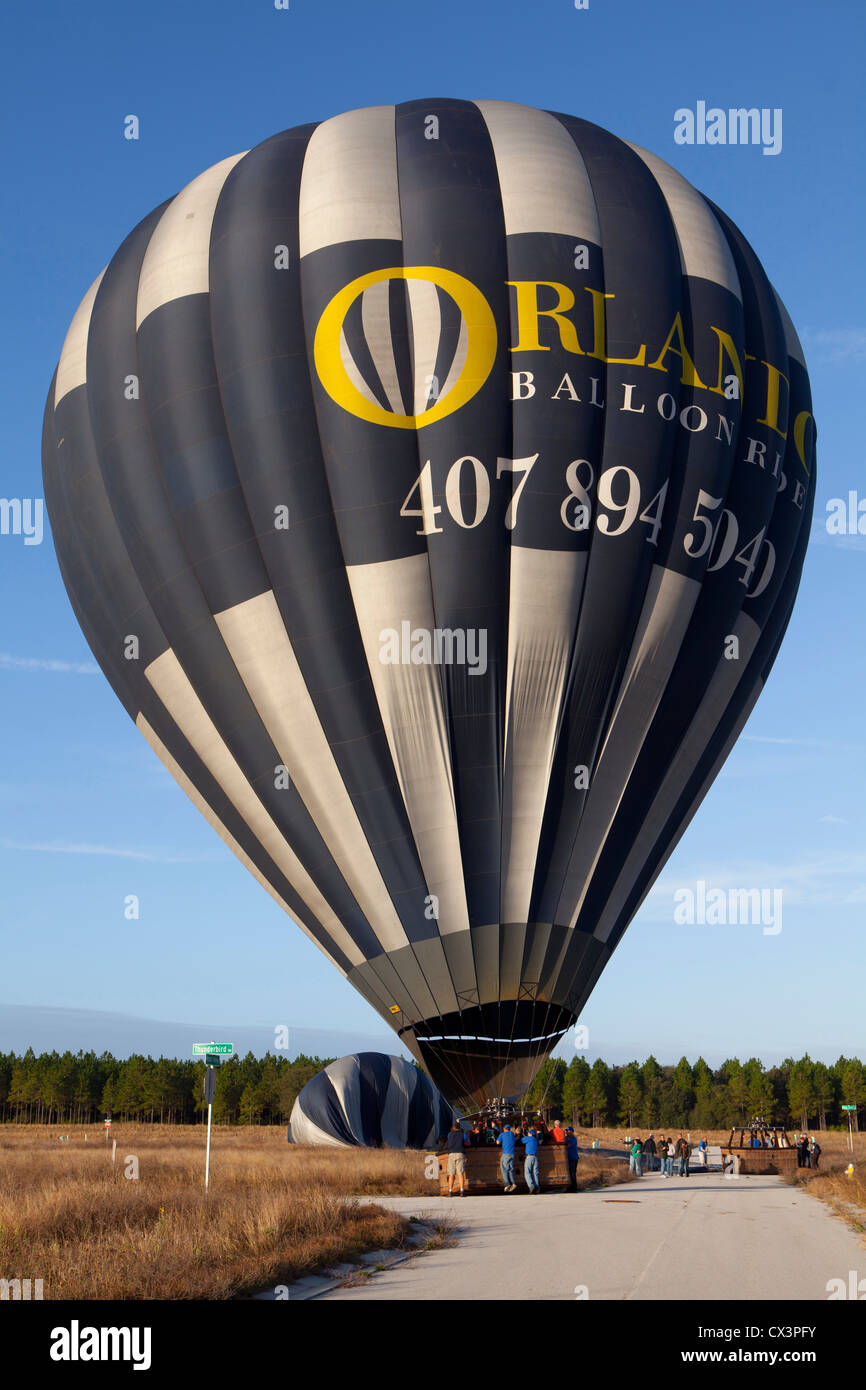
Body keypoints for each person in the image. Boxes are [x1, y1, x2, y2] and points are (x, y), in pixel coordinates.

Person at [446, 1122, 467, 1196]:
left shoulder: (449, 1134)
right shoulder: (463, 1134)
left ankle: (450, 1191)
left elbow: (448, 1143)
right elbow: (468, 1143)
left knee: (451, 1174)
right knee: (460, 1173)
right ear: (459, 1127)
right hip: (460, 1154)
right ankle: (462, 1191)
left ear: (453, 1128)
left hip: (451, 1154)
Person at [497, 1123, 517, 1192]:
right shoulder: (512, 1134)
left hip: (506, 1154)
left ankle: (507, 1184)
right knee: (510, 1169)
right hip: (512, 1154)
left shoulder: (502, 1134)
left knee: (504, 1169)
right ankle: (513, 1183)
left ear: (504, 1129)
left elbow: (497, 1142)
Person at [521, 1126, 541, 1193]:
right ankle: (537, 1187)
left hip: (529, 1157)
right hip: (535, 1157)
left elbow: (522, 1141)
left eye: (528, 1133)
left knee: (527, 1172)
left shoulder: (528, 1138)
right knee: (535, 1173)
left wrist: (523, 1135)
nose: (528, 1134)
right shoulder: (535, 1139)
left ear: (530, 1134)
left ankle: (531, 1186)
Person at [565, 1126, 580, 1192]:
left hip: (573, 1158)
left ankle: (574, 1188)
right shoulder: (565, 1138)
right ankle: (569, 1188)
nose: (566, 1132)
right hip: (567, 1159)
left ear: (571, 1132)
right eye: (566, 1131)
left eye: (568, 1131)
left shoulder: (573, 1139)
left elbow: (568, 1146)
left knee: (573, 1174)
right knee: (568, 1174)